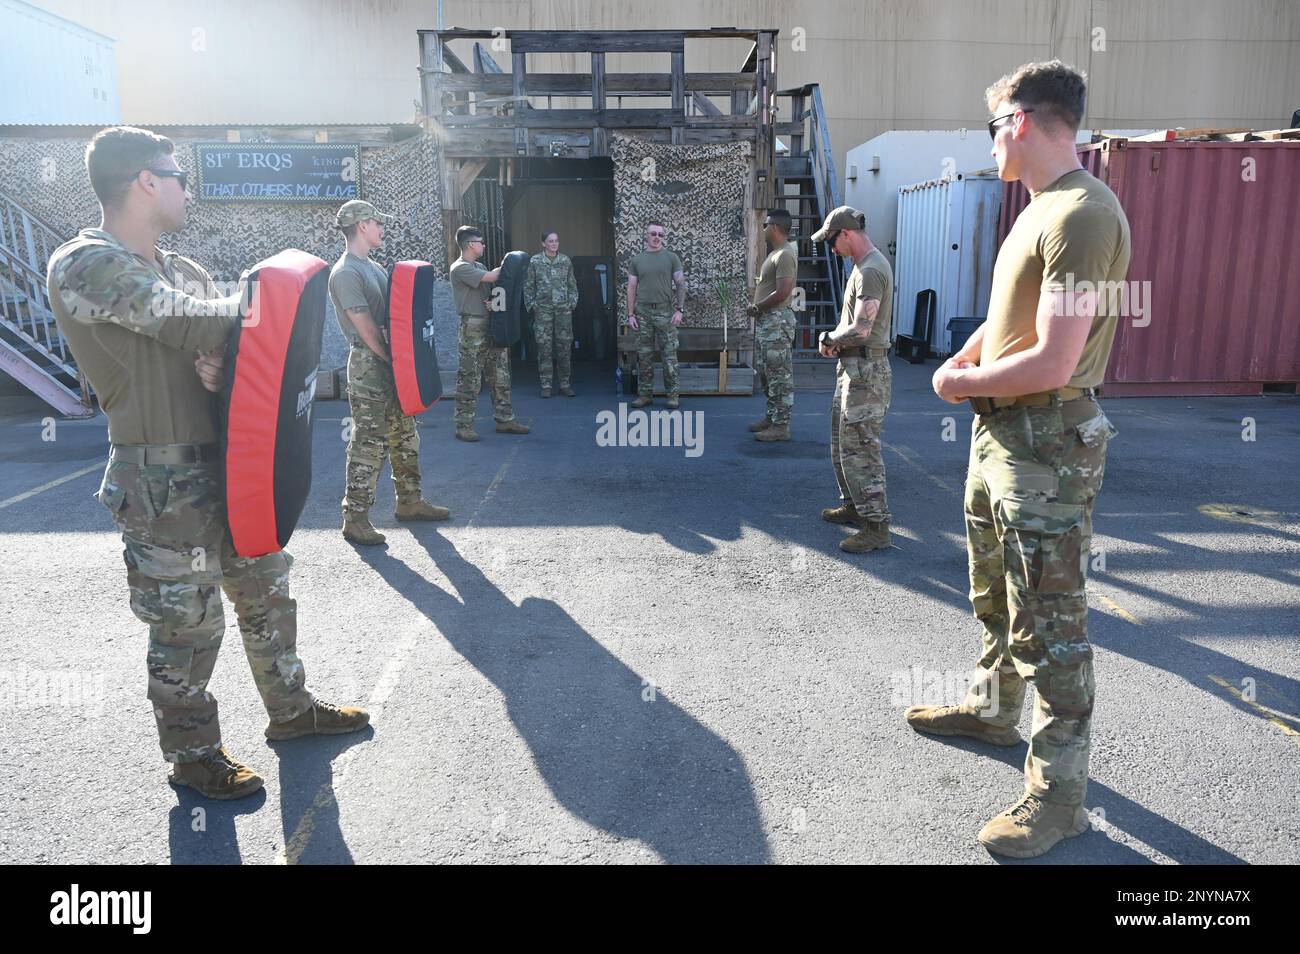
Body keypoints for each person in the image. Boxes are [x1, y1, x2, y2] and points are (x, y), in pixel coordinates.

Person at [46, 126, 368, 801]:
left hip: (230, 465)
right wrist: (267, 305)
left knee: (267, 590)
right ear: (145, 181)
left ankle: (291, 710)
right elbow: (198, 325)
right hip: (159, 482)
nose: (187, 190)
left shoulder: (182, 268)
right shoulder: (85, 264)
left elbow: (222, 345)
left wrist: (228, 356)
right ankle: (192, 753)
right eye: (178, 176)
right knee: (187, 627)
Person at [910, 60, 1131, 859]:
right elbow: (1006, 324)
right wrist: (960, 363)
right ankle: (996, 710)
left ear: (1026, 122)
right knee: (996, 595)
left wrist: (960, 381)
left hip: (1045, 442)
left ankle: (1059, 797)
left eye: (996, 126)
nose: (994, 141)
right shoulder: (1036, 211)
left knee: (1053, 625)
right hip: (1001, 436)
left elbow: (1053, 362)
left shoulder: (1081, 214)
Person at [329, 199, 450, 547]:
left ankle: (410, 501)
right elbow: (367, 330)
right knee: (369, 441)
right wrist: (395, 363)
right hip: (370, 365)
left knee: (404, 434)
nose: (382, 228)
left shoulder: (374, 267)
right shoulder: (346, 272)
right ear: (361, 225)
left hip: (390, 362)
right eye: (377, 222)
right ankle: (355, 517)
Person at [810, 206, 895, 553]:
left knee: (862, 450)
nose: (831, 248)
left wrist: (830, 338)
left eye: (831, 240)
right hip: (853, 368)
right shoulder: (862, 267)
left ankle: (876, 526)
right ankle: (855, 506)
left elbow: (862, 328)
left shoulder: (872, 269)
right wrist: (838, 346)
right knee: (842, 445)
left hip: (866, 373)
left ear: (846, 233)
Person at [449, 225, 531, 441]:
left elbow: (494, 292)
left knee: (500, 376)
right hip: (473, 328)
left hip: (491, 325)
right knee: (470, 378)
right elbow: (495, 277)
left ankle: (505, 420)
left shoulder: (480, 265)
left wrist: (493, 303)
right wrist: (513, 262)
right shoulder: (460, 268)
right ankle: (463, 425)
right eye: (481, 242)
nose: (484, 245)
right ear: (470, 244)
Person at [746, 208, 798, 441]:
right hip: (769, 323)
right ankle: (771, 417)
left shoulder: (785, 254)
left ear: (775, 227)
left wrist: (757, 307)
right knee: (768, 373)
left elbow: (784, 291)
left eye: (766, 225)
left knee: (779, 375)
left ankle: (781, 426)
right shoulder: (776, 253)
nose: (764, 228)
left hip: (777, 322)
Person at [626, 221, 686, 409]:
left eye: (660, 234)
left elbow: (680, 284)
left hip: (665, 312)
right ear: (646, 235)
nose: (656, 237)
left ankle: (673, 395)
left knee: (669, 355)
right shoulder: (637, 260)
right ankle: (645, 395)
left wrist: (679, 309)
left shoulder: (671, 257)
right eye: (653, 234)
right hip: (642, 312)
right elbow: (631, 287)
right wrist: (630, 314)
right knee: (644, 355)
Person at [524, 230, 579, 398]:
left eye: (556, 241)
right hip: (543, 311)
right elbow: (528, 286)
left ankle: (564, 384)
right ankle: (546, 384)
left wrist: (572, 303)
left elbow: (572, 285)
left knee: (564, 348)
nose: (554, 243)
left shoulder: (565, 260)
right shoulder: (535, 261)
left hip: (563, 311)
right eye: (550, 241)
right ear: (543, 243)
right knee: (544, 349)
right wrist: (532, 305)